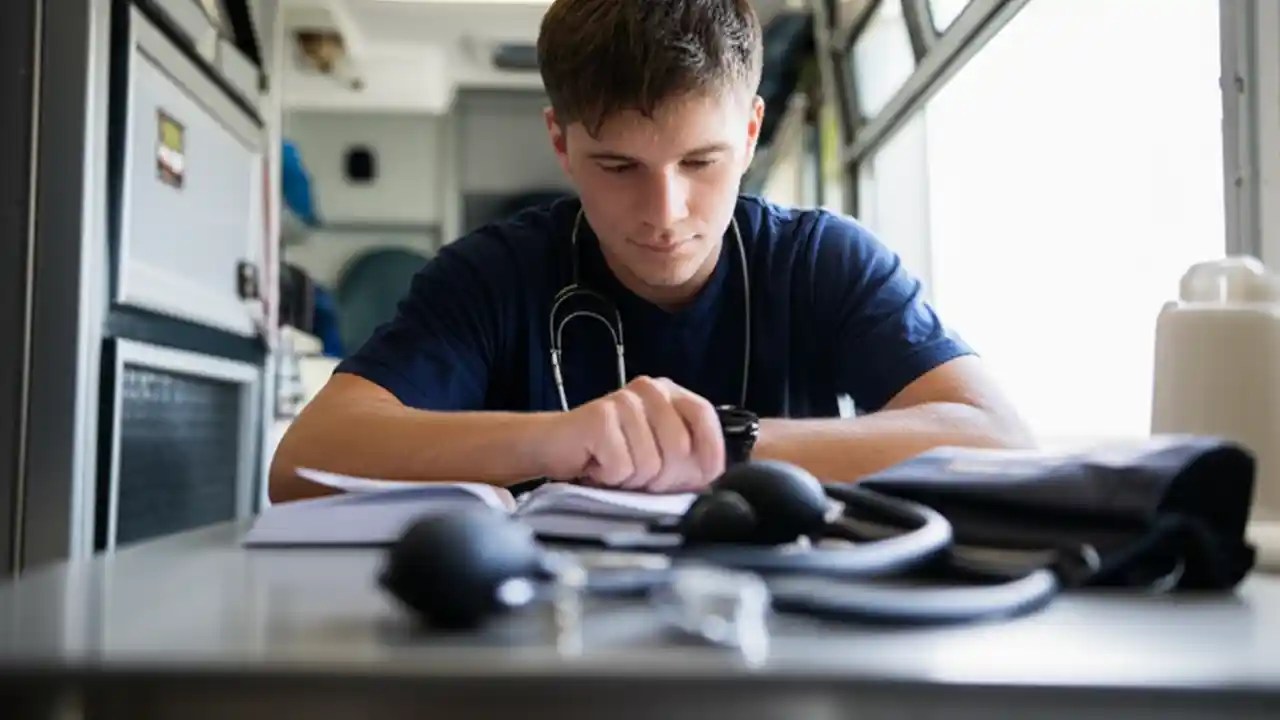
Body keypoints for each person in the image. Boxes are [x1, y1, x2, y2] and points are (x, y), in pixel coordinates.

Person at [269, 0, 1033, 503]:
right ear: (561, 144)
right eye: (618, 166)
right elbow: (303, 463)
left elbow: (998, 442)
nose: (666, 214)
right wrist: (562, 440)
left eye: (700, 162)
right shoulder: (492, 276)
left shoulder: (822, 263)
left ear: (750, 132)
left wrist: (722, 447)